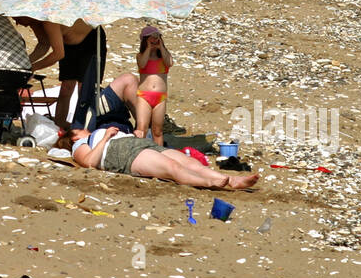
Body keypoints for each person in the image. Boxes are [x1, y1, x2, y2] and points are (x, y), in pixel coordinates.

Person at [64, 127, 258, 189]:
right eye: (78, 129)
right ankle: (209, 182)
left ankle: (232, 180)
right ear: (73, 136)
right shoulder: (79, 145)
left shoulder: (90, 135)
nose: (84, 128)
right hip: (121, 153)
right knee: (171, 167)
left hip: (136, 144)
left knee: (189, 162)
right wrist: (105, 137)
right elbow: (89, 162)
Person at [134, 26, 172, 145]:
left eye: (156, 38)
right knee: (141, 129)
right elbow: (142, 64)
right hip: (144, 97)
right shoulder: (140, 55)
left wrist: (161, 47)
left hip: (160, 97)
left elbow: (169, 63)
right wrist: (149, 48)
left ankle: (159, 156)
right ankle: (138, 155)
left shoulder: (165, 55)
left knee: (157, 131)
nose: (154, 40)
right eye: (151, 38)